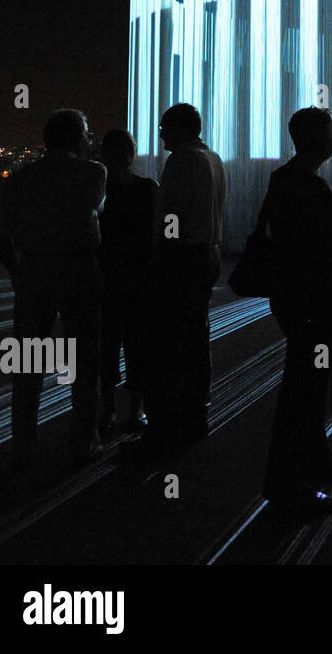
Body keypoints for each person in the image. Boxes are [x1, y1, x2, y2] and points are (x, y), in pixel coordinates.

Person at [260, 107, 332, 518]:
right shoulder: (311, 186)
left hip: (292, 296)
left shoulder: (281, 179)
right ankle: (287, 483)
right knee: (303, 388)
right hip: (313, 298)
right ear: (323, 141)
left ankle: (315, 460)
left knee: (307, 380)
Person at [0, 109, 107, 466]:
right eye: (86, 132)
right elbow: (94, 210)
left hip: (34, 270)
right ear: (77, 137)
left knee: (28, 360)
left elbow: (1, 231)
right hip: (78, 269)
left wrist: (16, 271)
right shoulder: (94, 173)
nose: (89, 138)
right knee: (84, 358)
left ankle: (24, 441)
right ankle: (82, 439)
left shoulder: (23, 177)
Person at [146, 103, 225, 452]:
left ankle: (165, 424)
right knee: (195, 338)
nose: (160, 132)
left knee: (168, 341)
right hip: (206, 254)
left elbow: (171, 217)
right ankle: (195, 414)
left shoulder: (180, 160)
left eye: (164, 126)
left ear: (178, 128)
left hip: (181, 259)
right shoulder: (213, 158)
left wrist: (160, 255)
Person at [97, 130, 159, 432]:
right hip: (139, 278)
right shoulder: (148, 189)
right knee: (139, 346)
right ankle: (134, 411)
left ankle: (106, 410)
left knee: (106, 347)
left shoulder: (97, 190)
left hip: (105, 279)